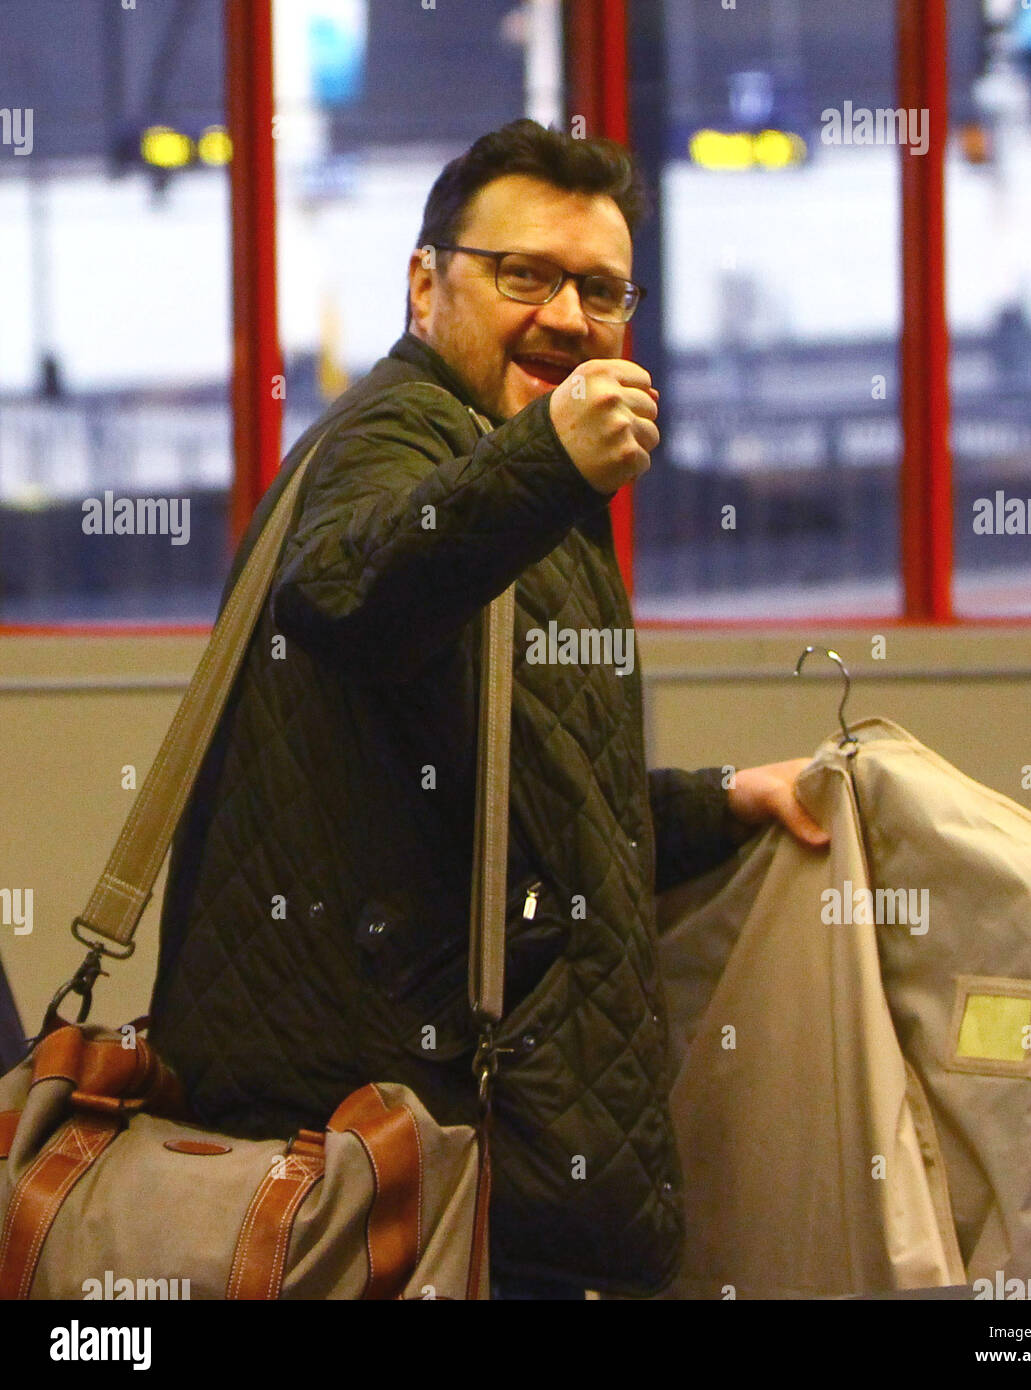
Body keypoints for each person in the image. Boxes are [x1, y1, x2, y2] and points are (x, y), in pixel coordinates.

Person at [148, 119, 828, 1299]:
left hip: (482, 1194)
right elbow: (345, 585)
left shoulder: (506, 475)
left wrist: (716, 803)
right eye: (524, 276)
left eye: (600, 289)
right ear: (426, 284)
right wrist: (549, 463)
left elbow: (528, 814)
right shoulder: (401, 437)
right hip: (406, 1196)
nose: (567, 317)